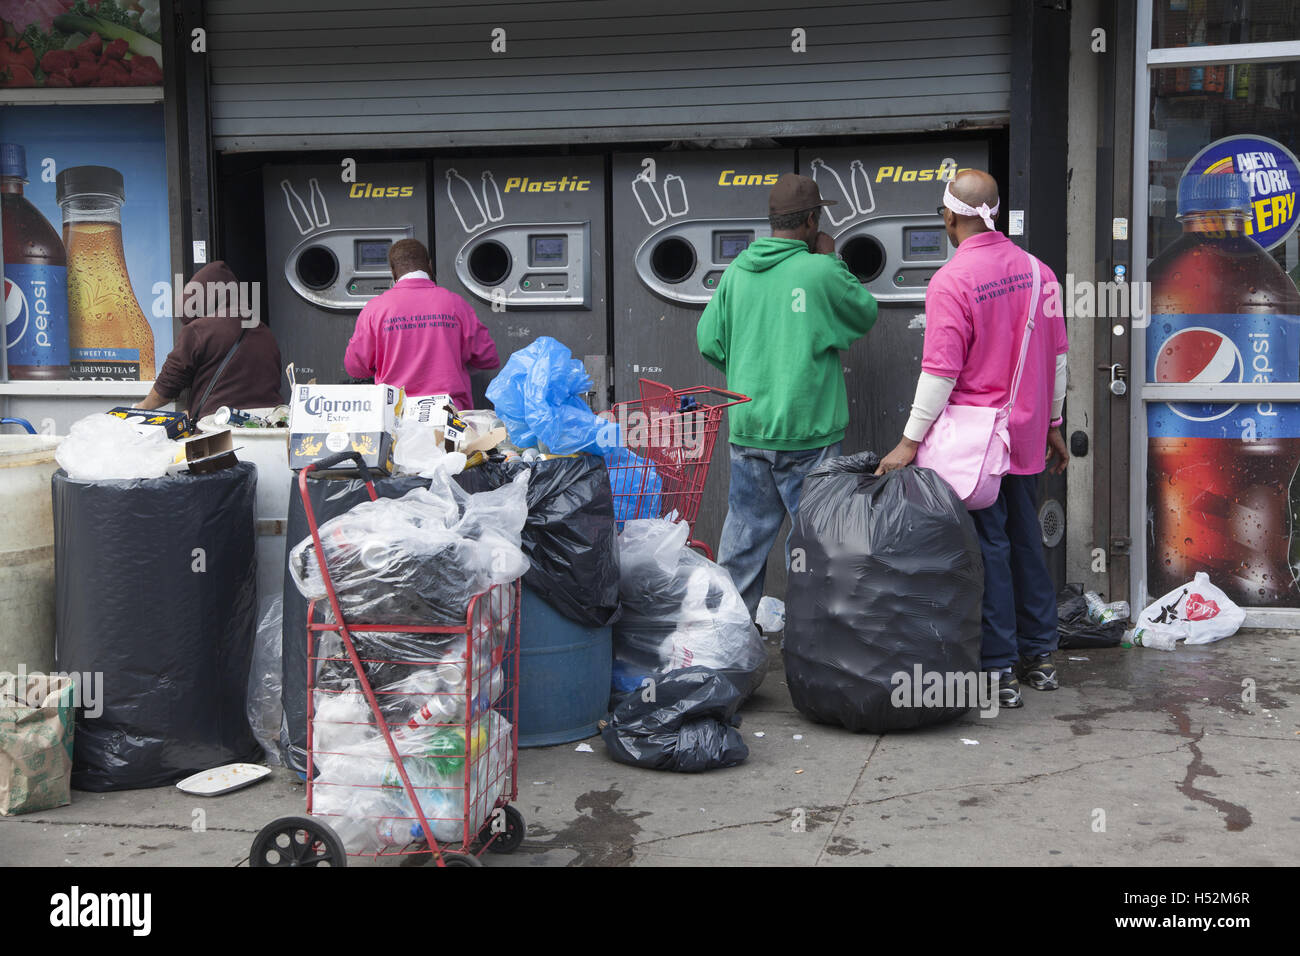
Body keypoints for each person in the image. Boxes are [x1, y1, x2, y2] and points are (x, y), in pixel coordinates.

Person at [877, 170, 1069, 708]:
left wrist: (909, 443)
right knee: (1027, 541)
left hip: (975, 448)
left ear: (948, 216)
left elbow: (939, 373)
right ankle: (1041, 657)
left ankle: (1000, 668)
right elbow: (1059, 359)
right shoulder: (1040, 273)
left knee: (988, 548)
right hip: (1026, 435)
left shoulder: (952, 281)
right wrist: (1053, 426)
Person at [697, 173, 878, 619]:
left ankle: (729, 648)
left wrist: (753, 373)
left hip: (749, 429)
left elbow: (708, 340)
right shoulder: (820, 270)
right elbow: (865, 312)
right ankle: (812, 649)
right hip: (808, 435)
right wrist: (831, 260)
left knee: (742, 544)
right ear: (812, 219)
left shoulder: (737, 271)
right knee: (816, 547)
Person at [344, 238, 498, 407]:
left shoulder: (375, 310)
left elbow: (355, 368)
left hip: (396, 415)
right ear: (430, 266)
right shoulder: (456, 304)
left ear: (393, 272)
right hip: (449, 416)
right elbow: (488, 358)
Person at [139, 260, 283, 422]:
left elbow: (167, 386)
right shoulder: (264, 332)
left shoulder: (199, 331)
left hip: (218, 431)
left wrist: (140, 409)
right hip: (265, 427)